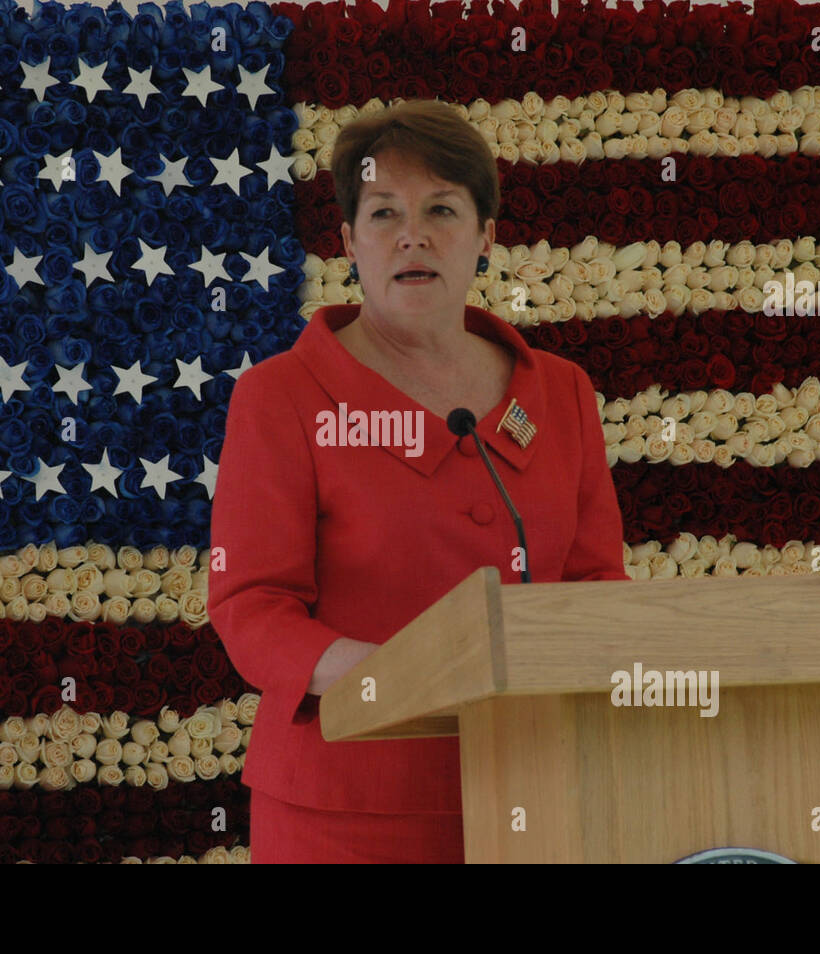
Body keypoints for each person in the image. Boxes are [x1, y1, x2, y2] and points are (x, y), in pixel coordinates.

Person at [208, 99, 629, 863]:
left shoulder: (560, 392)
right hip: (349, 809)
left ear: (485, 238)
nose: (414, 234)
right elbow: (253, 607)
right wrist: (402, 678)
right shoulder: (282, 396)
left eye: (442, 208)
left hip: (543, 786)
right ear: (348, 242)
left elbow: (596, 581)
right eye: (383, 213)